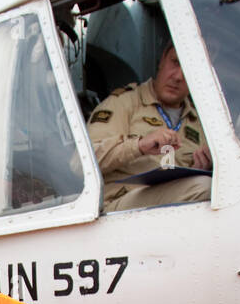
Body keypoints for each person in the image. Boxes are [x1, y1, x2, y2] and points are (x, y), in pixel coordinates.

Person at [88, 41, 212, 212]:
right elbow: (83, 163)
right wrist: (139, 145)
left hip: (175, 203)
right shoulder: (125, 102)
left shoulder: (200, 124)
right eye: (175, 62)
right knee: (204, 187)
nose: (178, 76)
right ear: (162, 61)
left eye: (188, 69)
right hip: (119, 205)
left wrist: (201, 169)